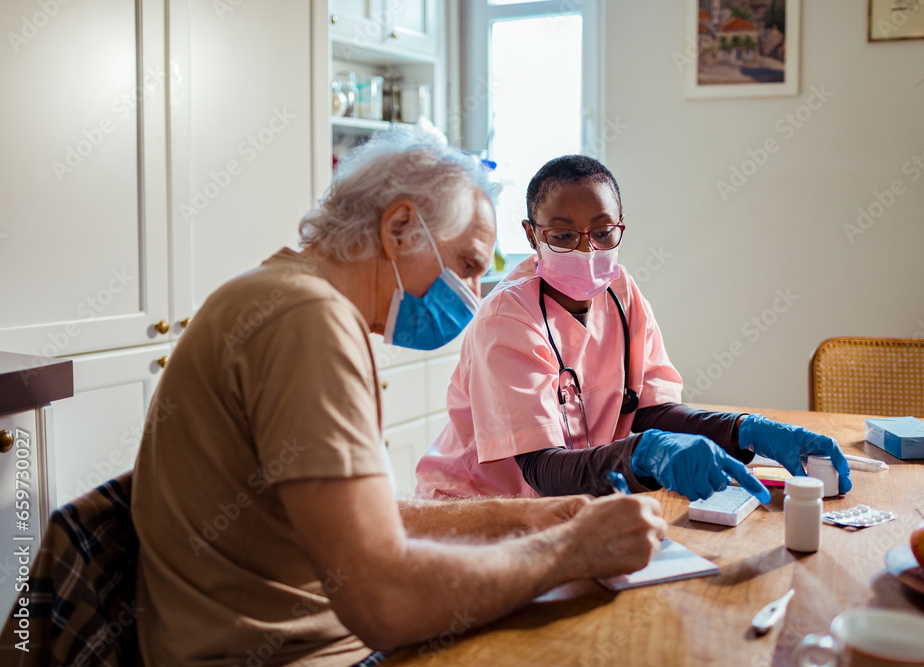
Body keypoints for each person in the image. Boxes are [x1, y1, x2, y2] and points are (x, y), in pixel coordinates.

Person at [131, 130, 668, 667]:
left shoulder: (282, 295)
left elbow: (360, 520)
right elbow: (384, 601)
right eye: (467, 265)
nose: (473, 295)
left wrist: (526, 519)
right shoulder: (306, 322)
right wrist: (570, 551)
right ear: (400, 228)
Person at [415, 155, 852, 501]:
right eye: (564, 236)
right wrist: (642, 455)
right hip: (477, 508)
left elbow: (649, 410)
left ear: (620, 227)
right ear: (532, 235)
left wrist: (744, 429)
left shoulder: (621, 293)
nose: (588, 250)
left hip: (566, 499)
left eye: (603, 232)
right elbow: (543, 468)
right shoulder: (506, 320)